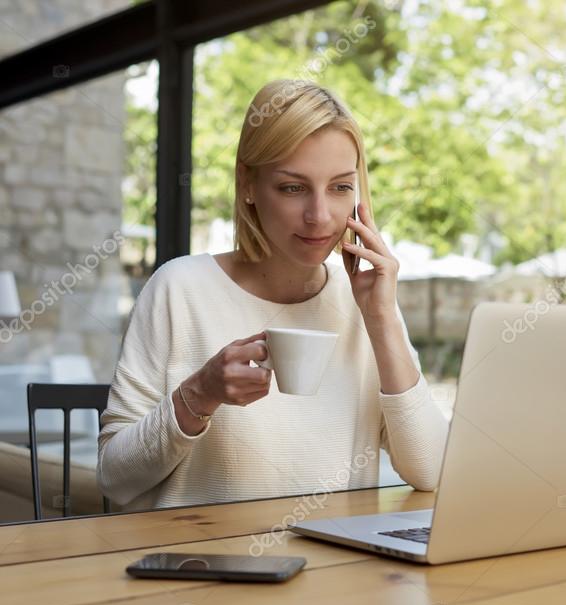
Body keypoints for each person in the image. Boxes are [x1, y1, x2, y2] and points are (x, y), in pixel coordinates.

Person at [98, 80, 448, 510]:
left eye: (340, 187)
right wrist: (199, 396)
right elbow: (114, 480)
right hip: (204, 566)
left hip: (337, 568)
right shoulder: (179, 288)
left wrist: (382, 319)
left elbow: (430, 470)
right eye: (292, 188)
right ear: (248, 184)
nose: (320, 216)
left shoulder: (366, 301)